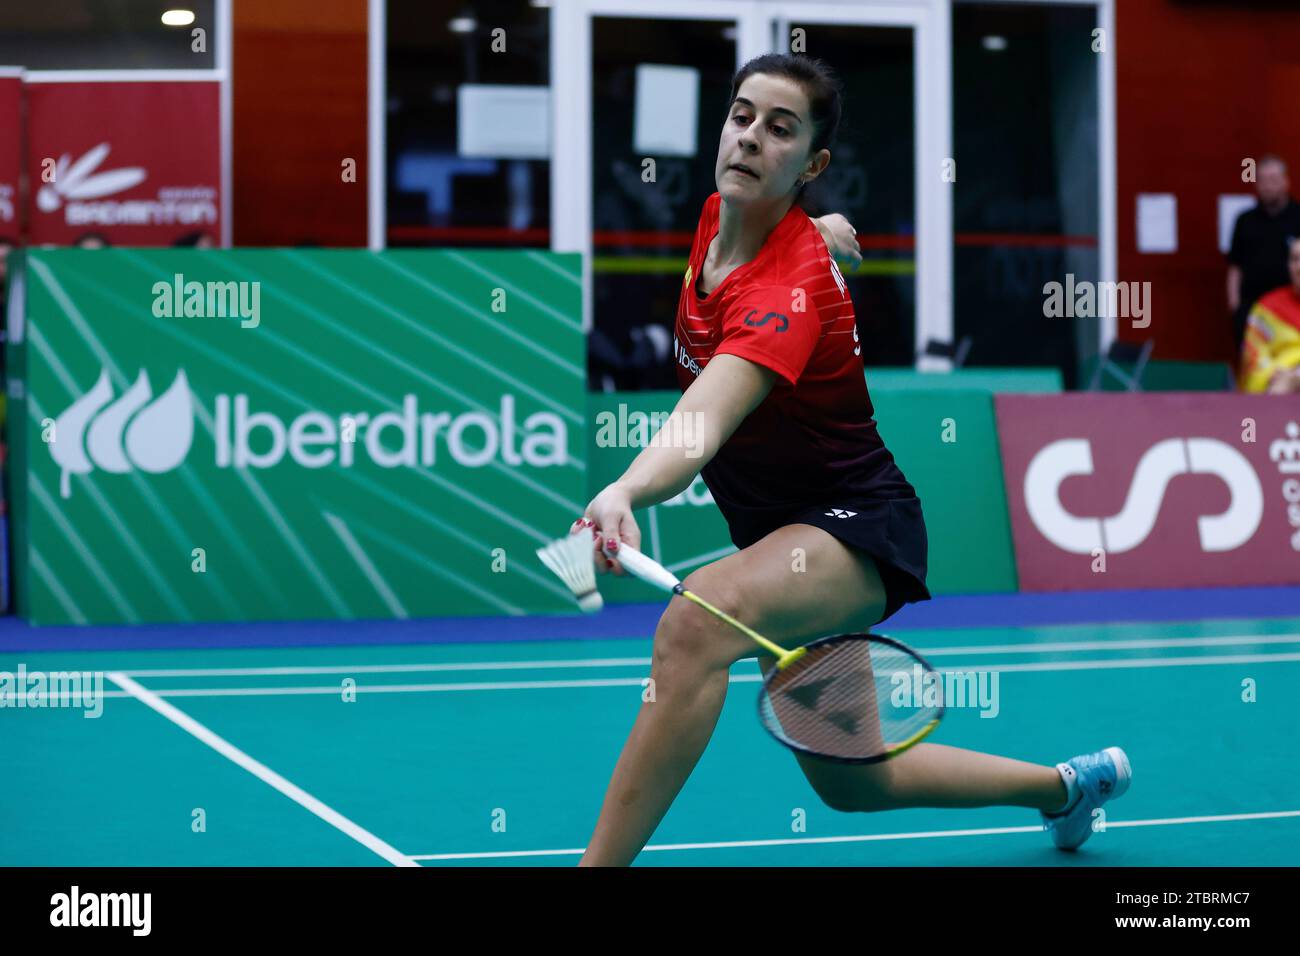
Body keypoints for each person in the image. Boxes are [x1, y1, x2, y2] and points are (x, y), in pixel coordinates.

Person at [574, 53, 1131, 867]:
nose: (751, 138)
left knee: (693, 627)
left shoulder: (783, 296)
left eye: (781, 129)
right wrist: (821, 233)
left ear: (813, 163)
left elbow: (701, 427)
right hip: (781, 537)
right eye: (742, 115)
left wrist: (628, 486)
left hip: (854, 527)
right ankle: (1066, 788)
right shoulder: (719, 219)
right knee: (855, 781)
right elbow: (795, 238)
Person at [1227, 155, 1300, 353]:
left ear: (1286, 182)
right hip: (1252, 311)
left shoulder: (1298, 217)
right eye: (1262, 180)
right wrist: (1236, 308)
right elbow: (1235, 267)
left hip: (1290, 312)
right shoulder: (1245, 220)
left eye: (1273, 179)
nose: (1268, 186)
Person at [1239, 236, 1300, 394]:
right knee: (1281, 387)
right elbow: (1254, 358)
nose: (1299, 267)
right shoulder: (1268, 307)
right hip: (1280, 382)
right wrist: (1275, 373)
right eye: (1295, 259)